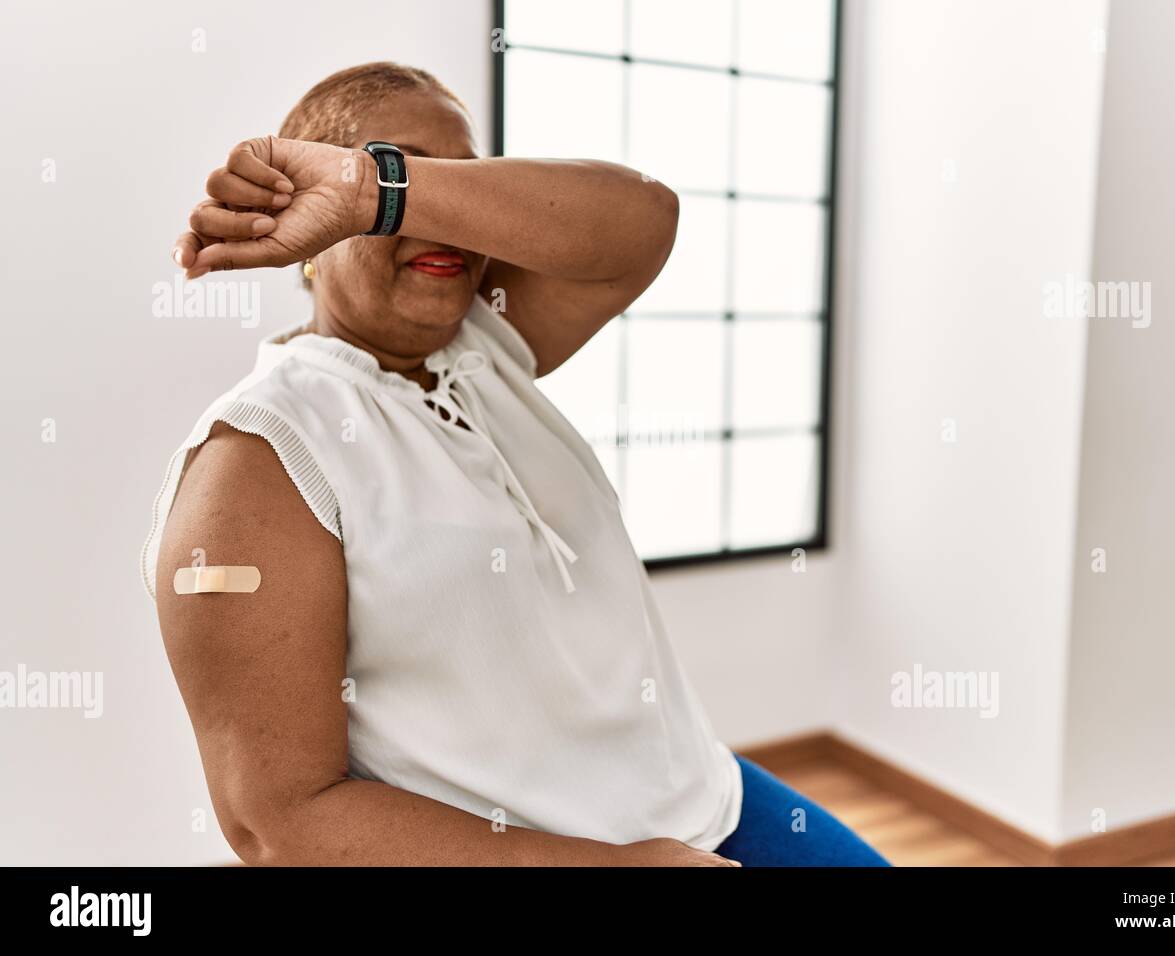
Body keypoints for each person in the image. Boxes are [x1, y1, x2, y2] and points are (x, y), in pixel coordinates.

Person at [144, 61, 889, 867]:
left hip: (706, 798)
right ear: (307, 237)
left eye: (455, 187)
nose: (448, 222)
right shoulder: (256, 460)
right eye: (393, 168)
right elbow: (278, 821)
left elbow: (647, 218)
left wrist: (380, 191)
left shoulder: (489, 350)